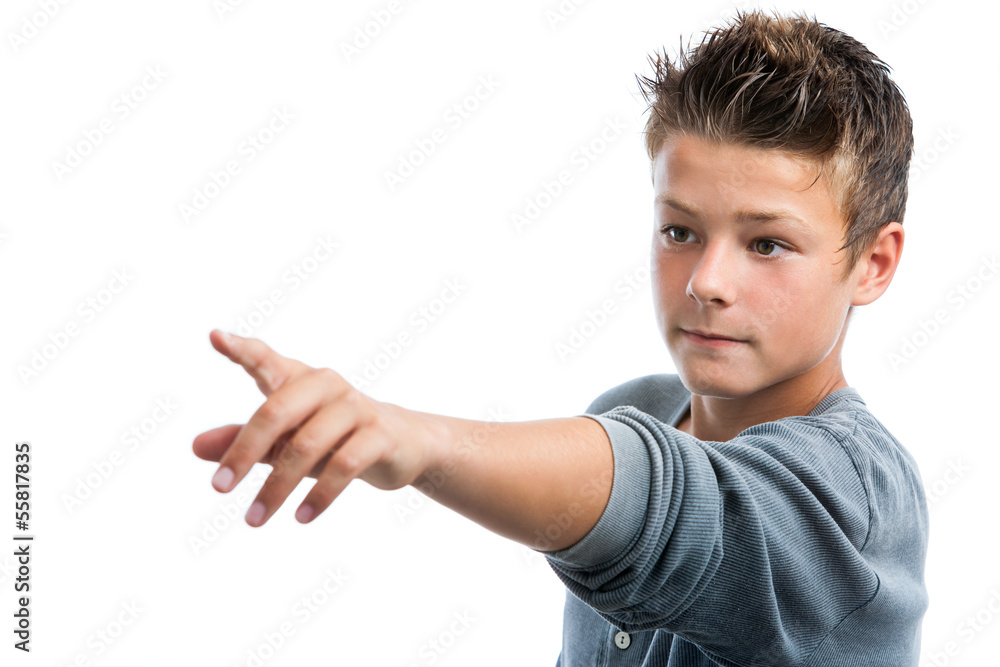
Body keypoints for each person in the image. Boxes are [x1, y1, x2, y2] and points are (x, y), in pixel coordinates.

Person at [192, 8, 928, 665]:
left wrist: (417, 440)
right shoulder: (634, 405)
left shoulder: (860, 497)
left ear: (872, 263)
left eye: (766, 244)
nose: (707, 279)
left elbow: (671, 502)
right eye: (680, 229)